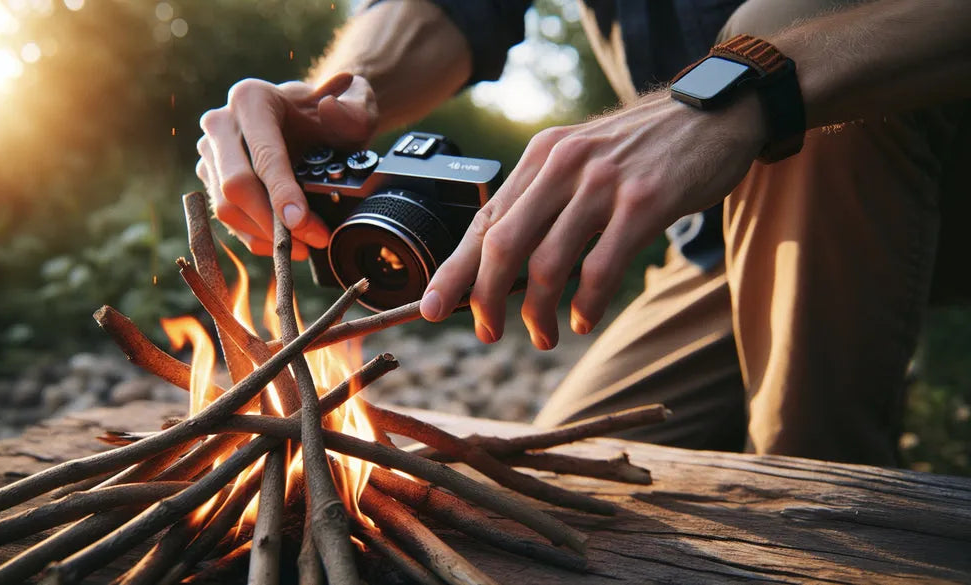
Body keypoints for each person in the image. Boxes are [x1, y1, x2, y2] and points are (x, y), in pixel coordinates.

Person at [194, 0, 971, 466]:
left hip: (891, 145)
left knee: (795, 62)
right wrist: (345, 96)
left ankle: (835, 538)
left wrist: (738, 84)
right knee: (562, 483)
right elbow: (448, 8)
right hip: (710, 239)